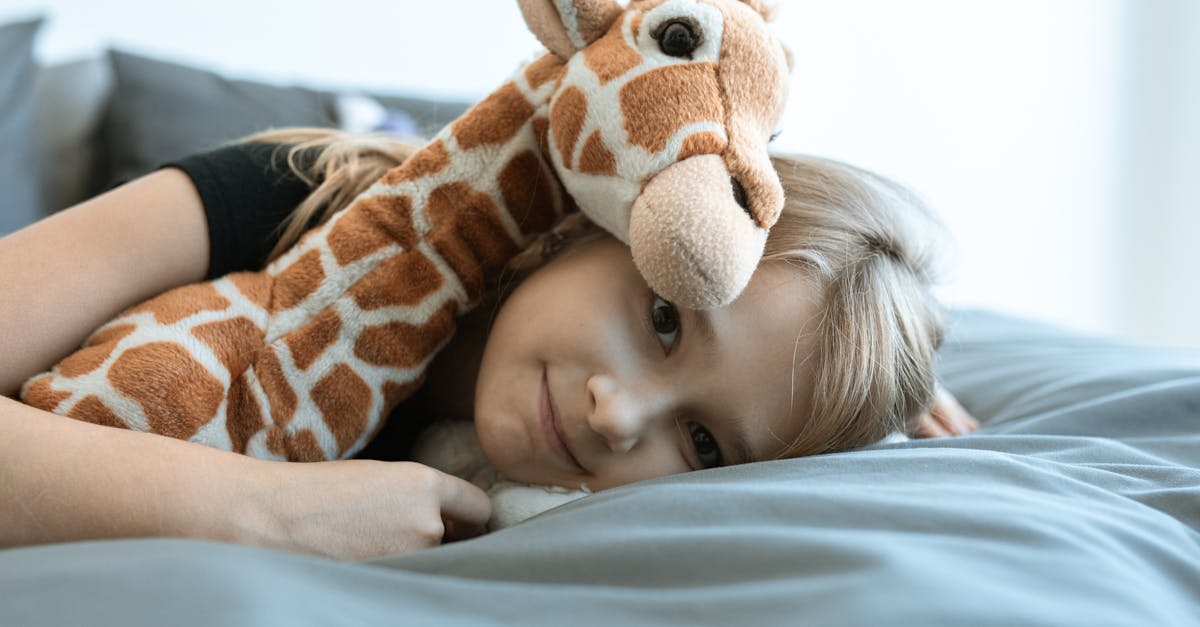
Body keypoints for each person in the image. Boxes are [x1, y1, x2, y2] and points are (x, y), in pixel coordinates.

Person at [0, 129, 975, 559]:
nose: (617, 412)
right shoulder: (284, 196)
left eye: (706, 444)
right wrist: (270, 513)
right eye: (665, 319)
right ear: (599, 214)